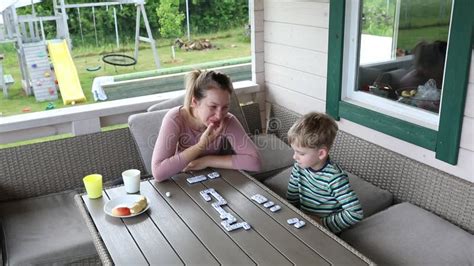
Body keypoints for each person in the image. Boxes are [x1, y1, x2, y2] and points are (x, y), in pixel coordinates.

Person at [151, 70, 261, 182]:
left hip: (216, 180)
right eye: (213, 107)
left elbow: (254, 162)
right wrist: (201, 146)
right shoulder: (175, 119)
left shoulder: (227, 120)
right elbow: (158, 173)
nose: (219, 115)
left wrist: (206, 161)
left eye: (225, 107)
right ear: (194, 102)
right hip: (181, 181)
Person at [286, 112, 363, 233]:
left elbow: (355, 213)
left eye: (301, 153)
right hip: (303, 223)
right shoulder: (298, 167)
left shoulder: (335, 179)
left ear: (321, 153)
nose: (294, 157)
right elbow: (292, 198)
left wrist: (322, 223)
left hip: (325, 229)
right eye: (294, 151)